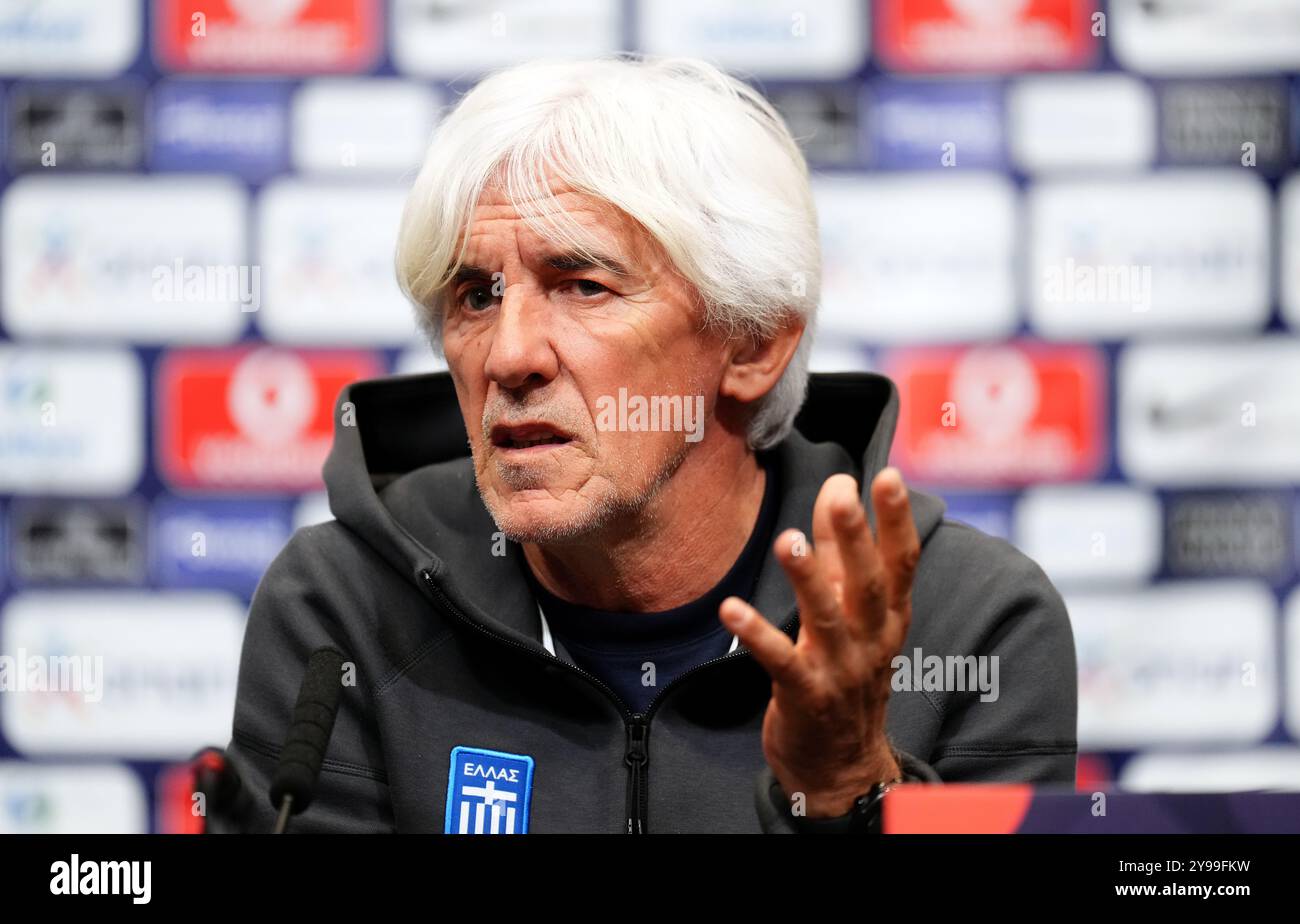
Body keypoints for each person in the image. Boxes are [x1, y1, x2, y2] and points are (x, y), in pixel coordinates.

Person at [222, 55, 1076, 833]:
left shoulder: (970, 625)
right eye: (476, 296)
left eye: (583, 285)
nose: (511, 356)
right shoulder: (341, 606)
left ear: (751, 344)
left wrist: (847, 789)